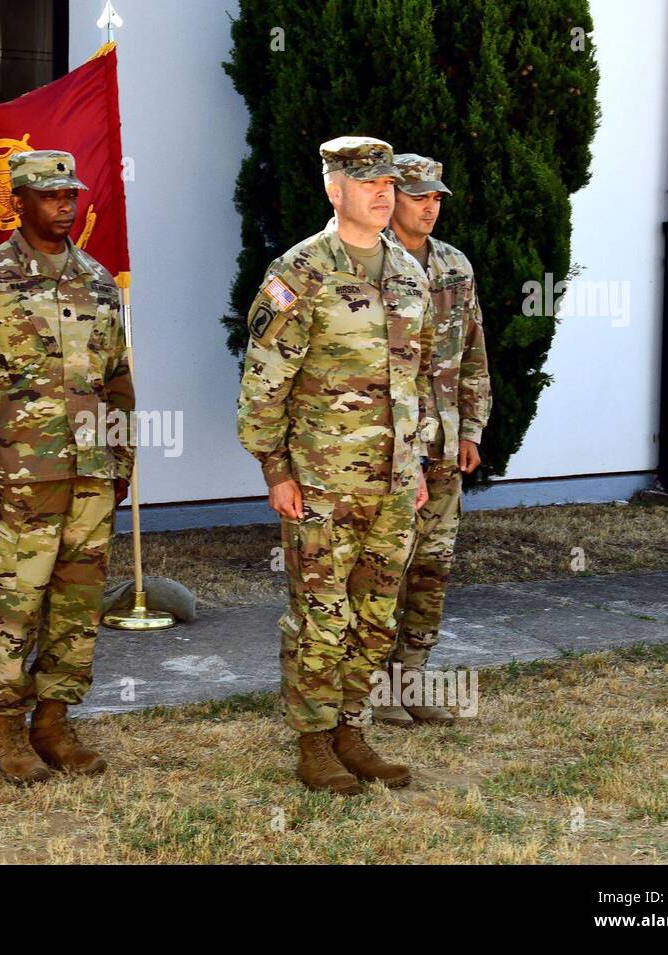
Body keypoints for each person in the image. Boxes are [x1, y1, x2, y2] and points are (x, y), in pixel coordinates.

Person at [0, 150, 134, 785]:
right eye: (49, 195)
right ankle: (9, 730)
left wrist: (121, 461)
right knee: (11, 606)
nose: (65, 204)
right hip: (16, 478)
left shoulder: (97, 282)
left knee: (77, 605)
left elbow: (118, 380)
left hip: (91, 476)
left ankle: (54, 720)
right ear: (19, 201)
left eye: (70, 193)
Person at [236, 136, 438, 795]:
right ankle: (315, 742)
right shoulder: (300, 274)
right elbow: (264, 382)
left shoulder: (409, 273)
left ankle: (353, 728)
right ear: (335, 190)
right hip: (322, 480)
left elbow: (420, 379)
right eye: (367, 182)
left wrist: (421, 461)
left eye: (388, 183)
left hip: (395, 481)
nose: (384, 193)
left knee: (376, 614)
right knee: (322, 614)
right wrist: (276, 470)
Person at [375, 153, 492, 724]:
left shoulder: (453, 265)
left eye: (436, 197)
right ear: (391, 196)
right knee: (384, 569)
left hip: (443, 446)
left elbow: (473, 352)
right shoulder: (369, 263)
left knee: (432, 568)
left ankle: (409, 680)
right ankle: (371, 687)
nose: (430, 206)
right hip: (391, 449)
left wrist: (471, 428)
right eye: (419, 195)